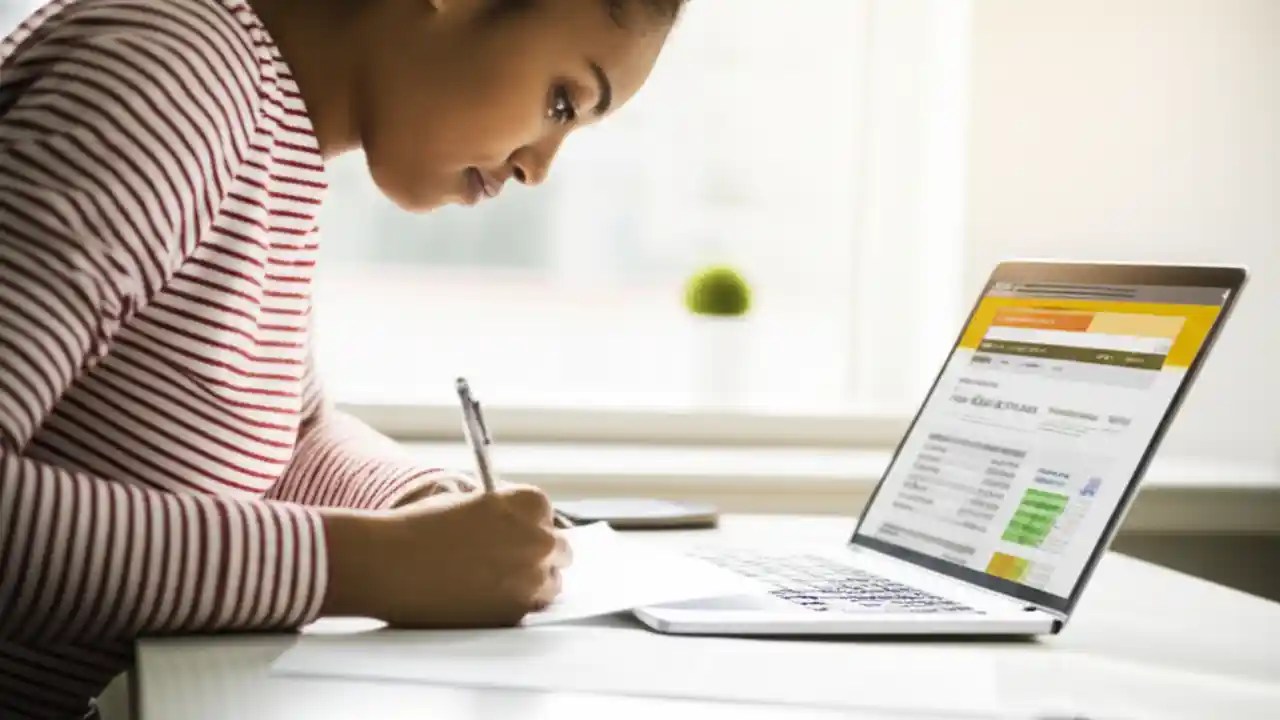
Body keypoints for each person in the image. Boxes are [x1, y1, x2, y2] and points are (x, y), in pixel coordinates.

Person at [0, 0, 682, 716]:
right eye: (561, 99)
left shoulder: (271, 130)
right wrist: (372, 566)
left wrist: (416, 501)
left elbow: (291, 434)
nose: (540, 168)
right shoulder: (170, 85)